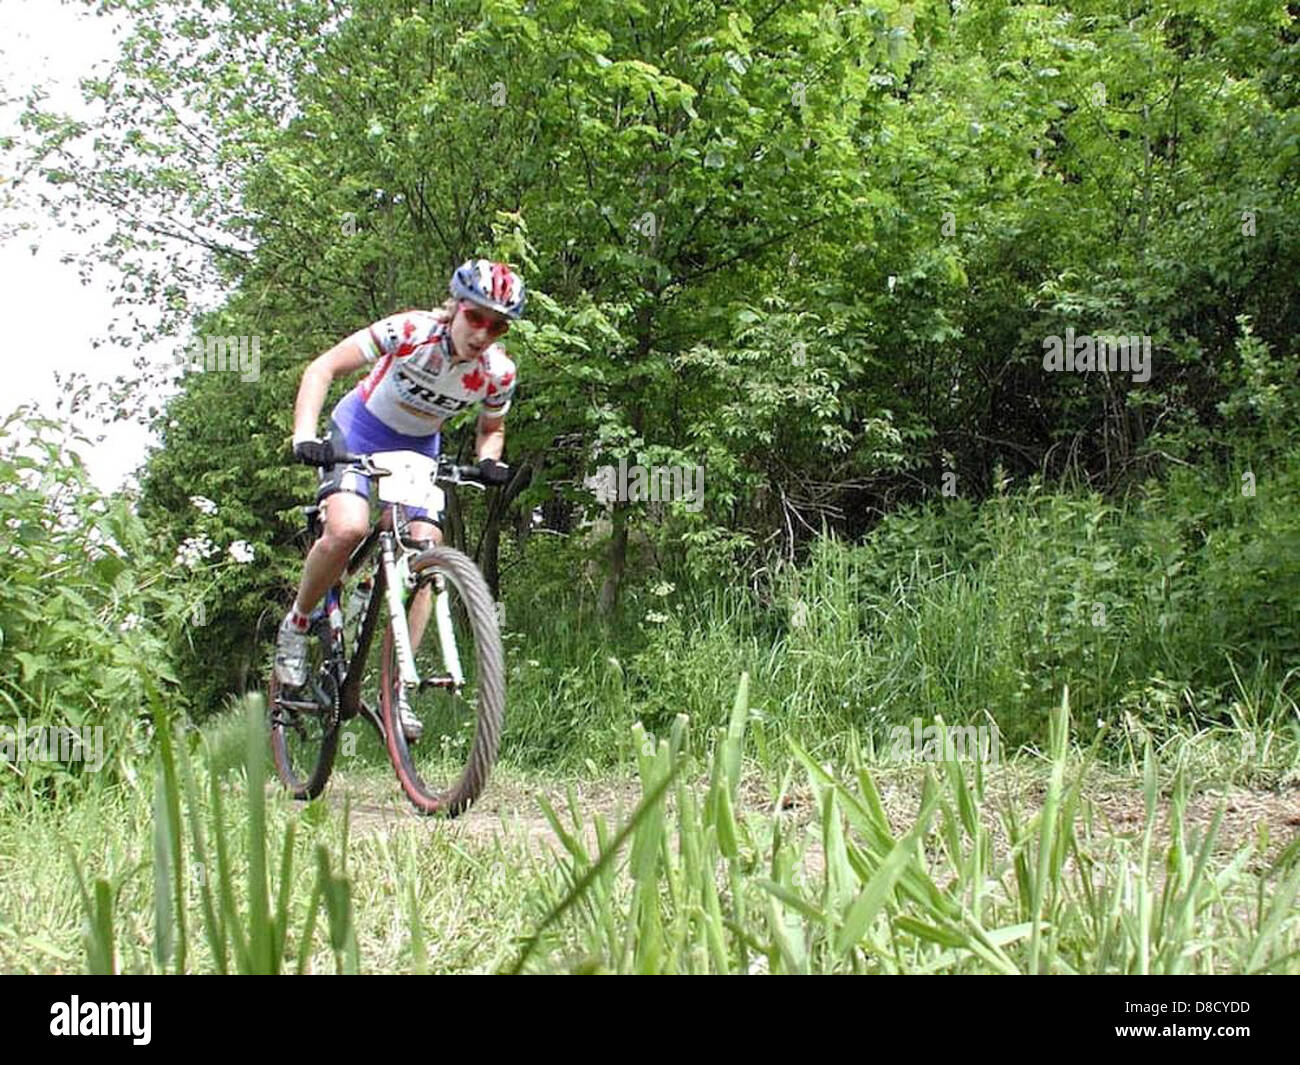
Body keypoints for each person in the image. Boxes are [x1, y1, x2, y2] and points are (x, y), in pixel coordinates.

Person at [274, 259, 525, 740]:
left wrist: (489, 458)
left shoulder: (497, 372)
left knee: (425, 551)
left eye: (497, 325)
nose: (483, 332)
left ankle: (398, 690)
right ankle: (299, 621)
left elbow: (491, 428)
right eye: (476, 317)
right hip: (359, 431)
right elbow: (322, 367)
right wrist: (304, 435)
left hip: (419, 448)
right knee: (347, 528)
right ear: (456, 308)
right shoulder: (410, 330)